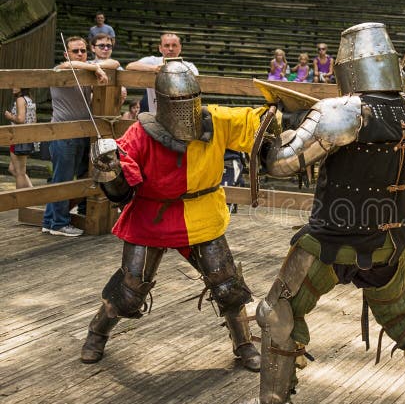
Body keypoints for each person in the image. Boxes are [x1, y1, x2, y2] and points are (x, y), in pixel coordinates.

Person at [226, 22, 405, 404]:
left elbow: (281, 165)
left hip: (331, 241)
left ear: (349, 67)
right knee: (403, 314)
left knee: (277, 310)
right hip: (389, 243)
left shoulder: (341, 111)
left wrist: (281, 127)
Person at [79, 59, 265, 372]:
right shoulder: (141, 133)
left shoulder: (217, 120)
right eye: (176, 100)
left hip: (201, 213)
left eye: (188, 99)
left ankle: (244, 343)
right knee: (129, 289)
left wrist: (281, 114)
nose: (183, 106)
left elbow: (255, 122)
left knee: (227, 284)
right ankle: (96, 333)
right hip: (152, 216)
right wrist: (110, 170)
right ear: (163, 103)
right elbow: (122, 184)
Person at [42, 36, 116, 237]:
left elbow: (114, 62)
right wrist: (96, 68)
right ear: (67, 54)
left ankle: (50, 221)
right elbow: (67, 65)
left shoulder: (86, 71)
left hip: (82, 132)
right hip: (63, 133)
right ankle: (58, 223)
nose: (81, 54)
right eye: (76, 51)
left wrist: (95, 67)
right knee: (62, 179)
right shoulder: (61, 70)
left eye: (83, 50)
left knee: (73, 177)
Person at [127, 32, 198, 113]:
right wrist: (154, 68)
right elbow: (130, 66)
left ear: (180, 48)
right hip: (154, 115)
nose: (171, 49)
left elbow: (196, 82)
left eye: (174, 45)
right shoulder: (153, 61)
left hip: (180, 115)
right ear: (160, 48)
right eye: (167, 45)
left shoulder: (190, 66)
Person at [4, 88, 37, 189]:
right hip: (26, 137)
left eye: (16, 85)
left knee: (20, 173)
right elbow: (34, 119)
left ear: (23, 87)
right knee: (12, 169)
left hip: (19, 138)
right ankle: (32, 192)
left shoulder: (20, 100)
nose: (13, 87)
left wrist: (10, 116)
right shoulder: (28, 99)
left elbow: (21, 119)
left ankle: (21, 201)